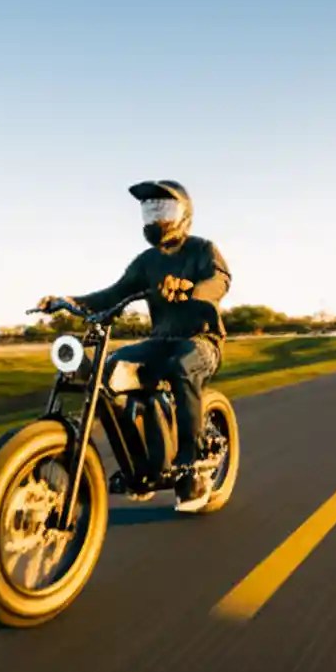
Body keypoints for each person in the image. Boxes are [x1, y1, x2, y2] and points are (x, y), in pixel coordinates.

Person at [36, 180, 231, 511]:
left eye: (164, 209)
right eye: (150, 210)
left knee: (183, 366)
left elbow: (219, 281)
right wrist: (68, 301)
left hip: (201, 340)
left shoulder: (203, 249)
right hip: (159, 342)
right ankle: (142, 466)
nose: (157, 218)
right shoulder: (146, 262)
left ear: (185, 214)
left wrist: (191, 290)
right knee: (110, 368)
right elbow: (113, 294)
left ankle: (191, 466)